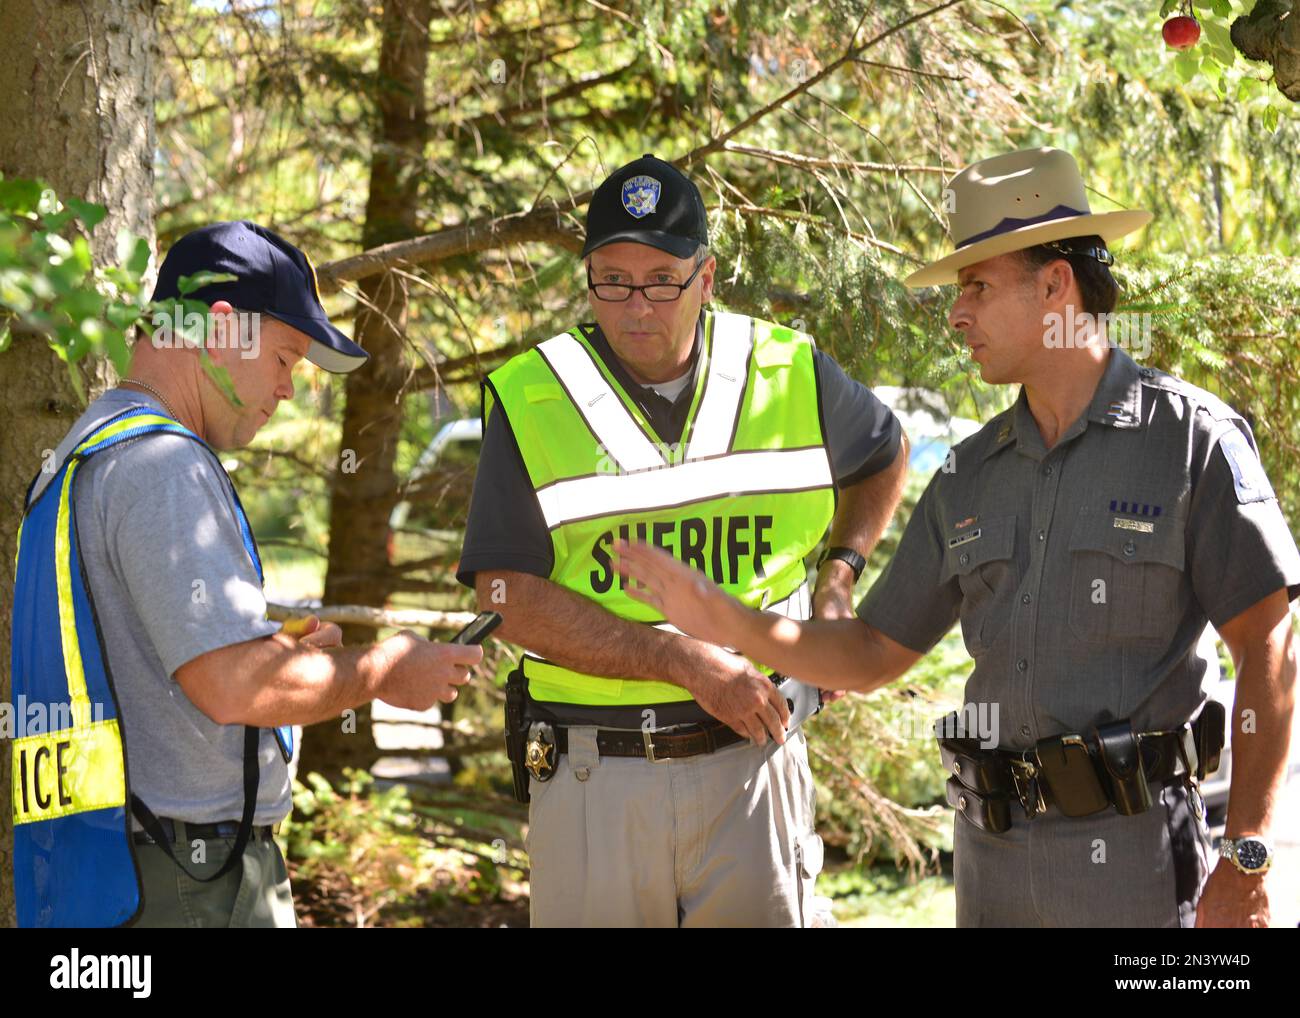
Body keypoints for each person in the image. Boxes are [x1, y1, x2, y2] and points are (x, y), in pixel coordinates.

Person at [617, 148, 1300, 928]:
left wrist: (1249, 856)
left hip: (1138, 867)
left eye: (977, 285)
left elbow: (1268, 648)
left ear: (1054, 285)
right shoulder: (970, 474)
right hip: (993, 866)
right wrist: (727, 621)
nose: (956, 314)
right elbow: (874, 651)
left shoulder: (1189, 442)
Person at [457, 155, 909, 927]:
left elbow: (885, 454)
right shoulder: (535, 395)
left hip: (754, 768)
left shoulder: (786, 368)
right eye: (613, 279)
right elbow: (506, 597)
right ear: (588, 278)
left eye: (662, 278)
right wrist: (680, 661)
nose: (637, 305)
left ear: (705, 278)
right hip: (595, 777)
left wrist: (840, 575)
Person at [10, 221, 482, 928]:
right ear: (222, 329)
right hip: (188, 882)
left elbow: (157, 673)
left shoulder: (84, 455)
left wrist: (274, 654)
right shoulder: (162, 466)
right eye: (288, 358)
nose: (290, 390)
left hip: (109, 871)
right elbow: (231, 687)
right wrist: (384, 669)